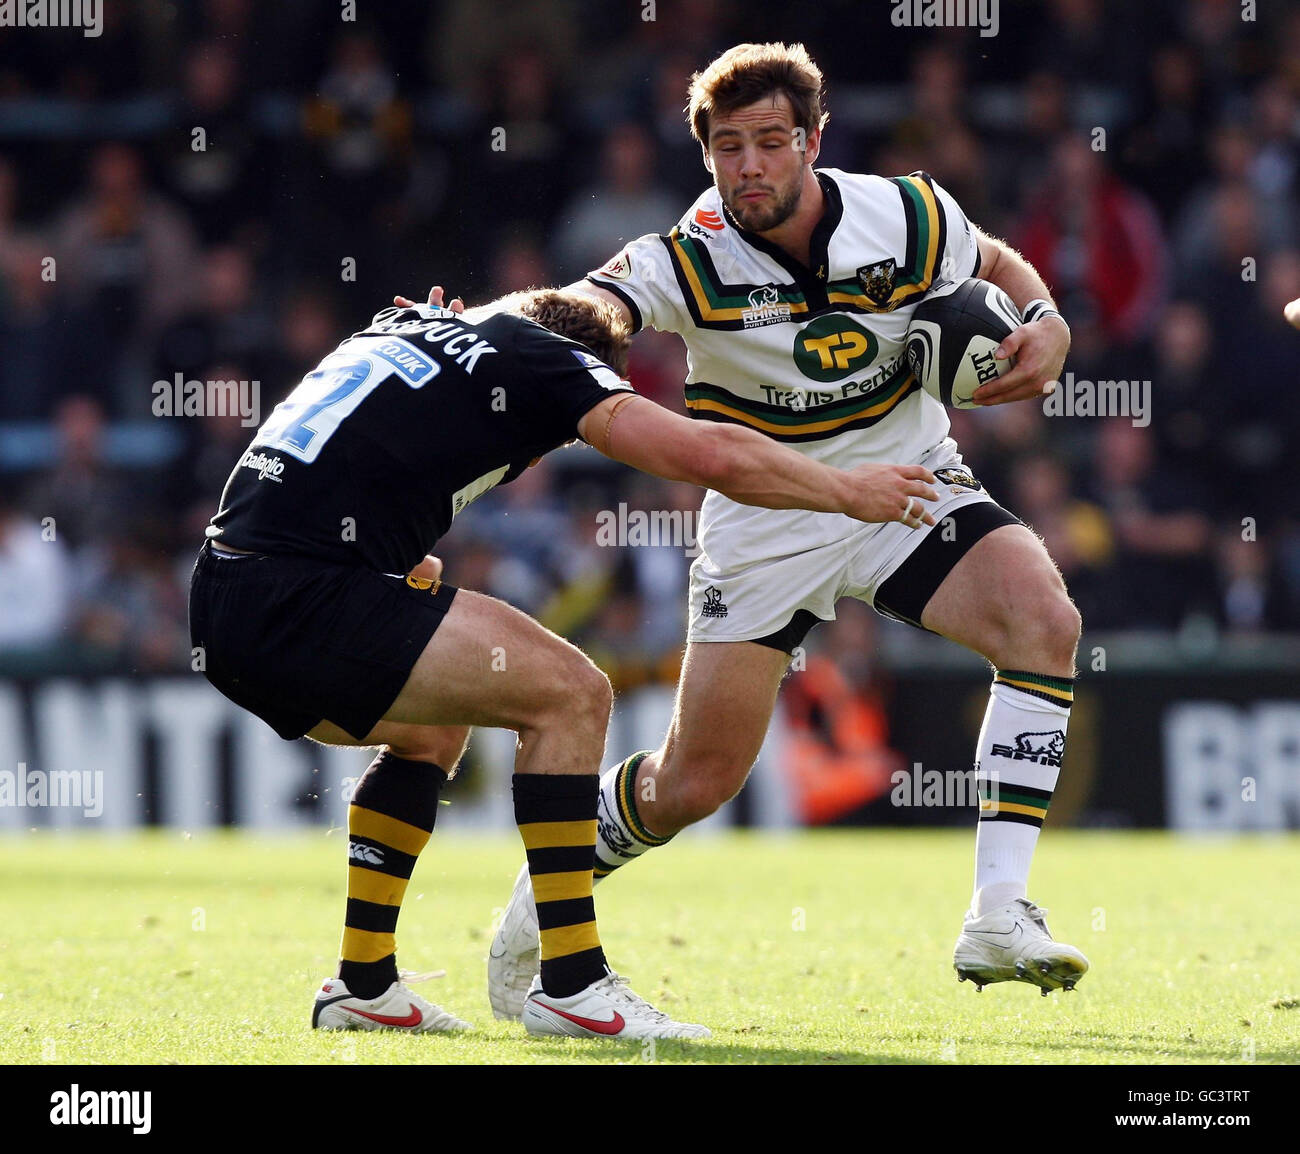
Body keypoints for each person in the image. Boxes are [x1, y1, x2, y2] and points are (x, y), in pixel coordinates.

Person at [488, 41, 1089, 1016]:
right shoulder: (690, 256)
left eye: (771, 142)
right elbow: (599, 299)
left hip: (905, 479)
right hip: (767, 511)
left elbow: (991, 259)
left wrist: (1047, 319)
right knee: (694, 779)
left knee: (1042, 617)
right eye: (729, 147)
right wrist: (502, 324)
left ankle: (997, 909)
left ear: (813, 141)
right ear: (707, 157)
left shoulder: (904, 212)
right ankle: (544, 893)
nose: (750, 166)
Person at [189, 283, 942, 1040]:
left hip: (225, 597)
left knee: (432, 728)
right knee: (574, 694)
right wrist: (845, 488)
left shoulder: (412, 327)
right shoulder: (545, 359)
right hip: (300, 593)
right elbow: (704, 452)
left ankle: (364, 984)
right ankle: (573, 985)